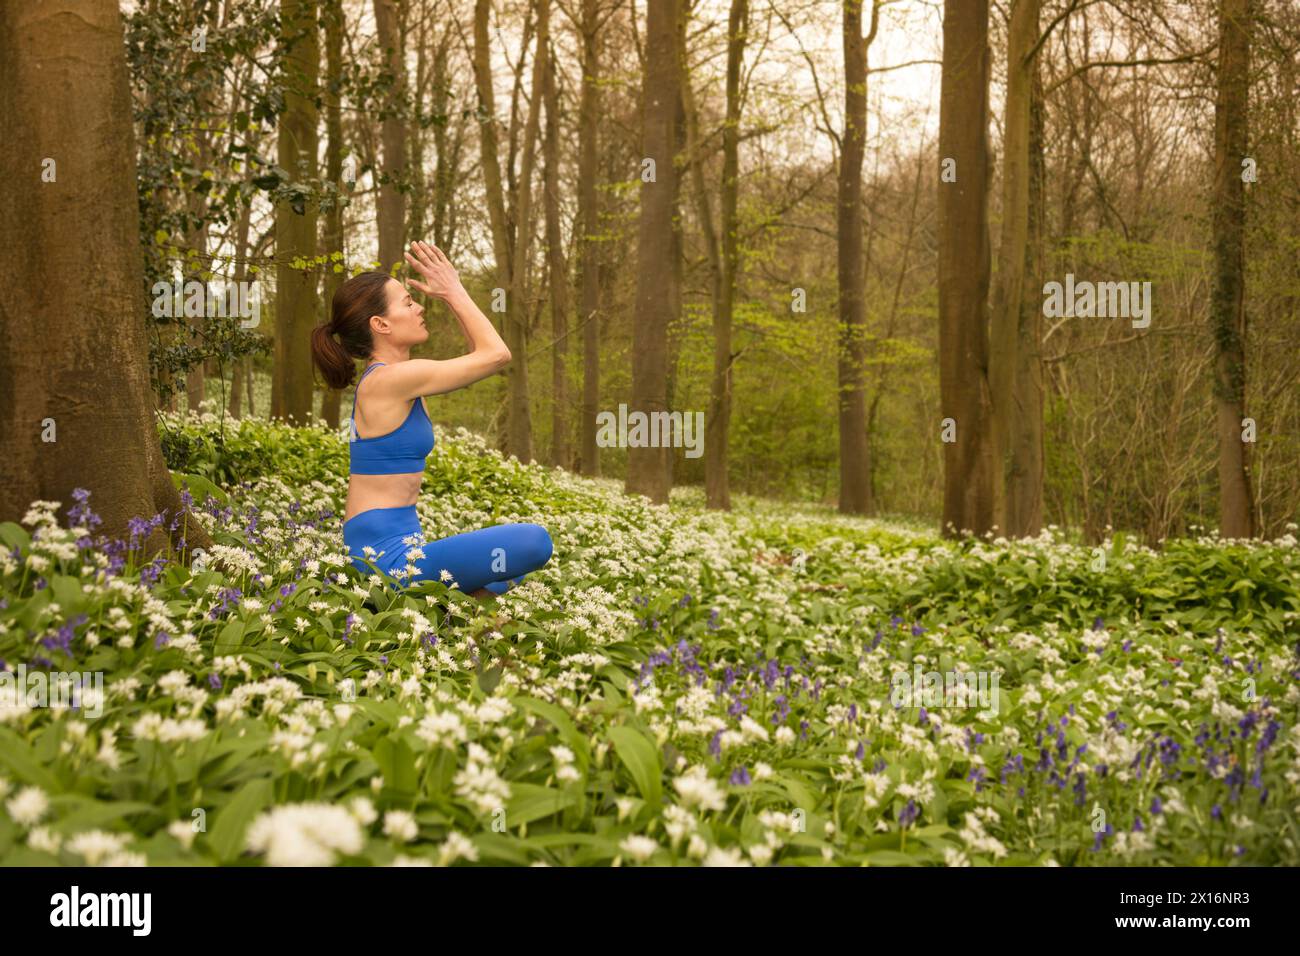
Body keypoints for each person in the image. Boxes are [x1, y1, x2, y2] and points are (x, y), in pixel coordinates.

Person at [309, 241, 552, 597]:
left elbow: (480, 353)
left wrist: (453, 294)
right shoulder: (391, 380)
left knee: (507, 566)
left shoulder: (397, 377)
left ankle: (446, 614)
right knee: (534, 543)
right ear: (380, 324)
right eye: (407, 302)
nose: (420, 306)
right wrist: (453, 292)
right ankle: (439, 610)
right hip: (382, 559)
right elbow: (497, 354)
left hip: (406, 544)